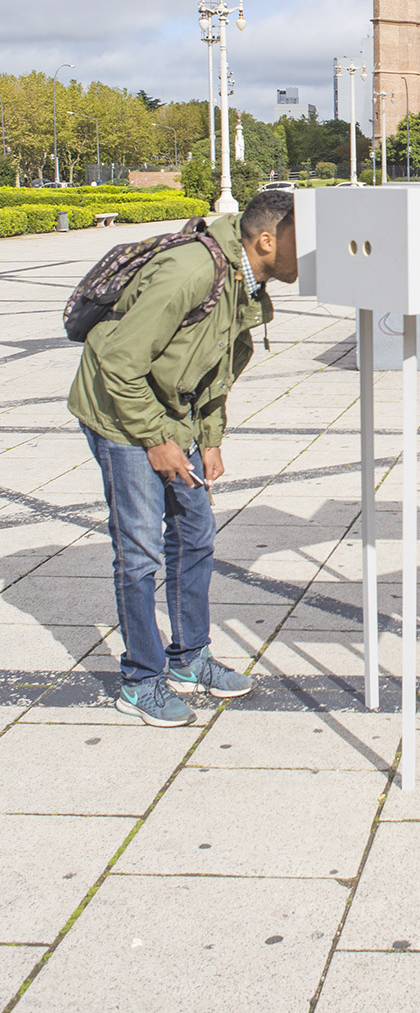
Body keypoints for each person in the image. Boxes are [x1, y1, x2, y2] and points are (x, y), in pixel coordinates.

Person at [68, 189, 298, 726]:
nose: (312, 257)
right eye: (303, 243)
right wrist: (156, 440)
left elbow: (216, 365)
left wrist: (209, 436)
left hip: (174, 414)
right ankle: (140, 679)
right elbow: (118, 361)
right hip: (121, 414)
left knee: (195, 536)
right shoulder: (191, 270)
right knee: (140, 552)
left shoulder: (244, 280)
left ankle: (190, 659)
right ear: (267, 241)